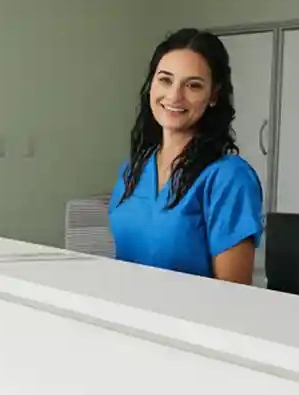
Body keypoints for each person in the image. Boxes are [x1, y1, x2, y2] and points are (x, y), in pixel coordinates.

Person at [108, 28, 264, 284]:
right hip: (129, 318)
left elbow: (234, 297)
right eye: (165, 80)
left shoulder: (228, 178)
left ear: (213, 95)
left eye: (193, 85)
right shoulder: (133, 170)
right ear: (151, 84)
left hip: (188, 322)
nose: (174, 96)